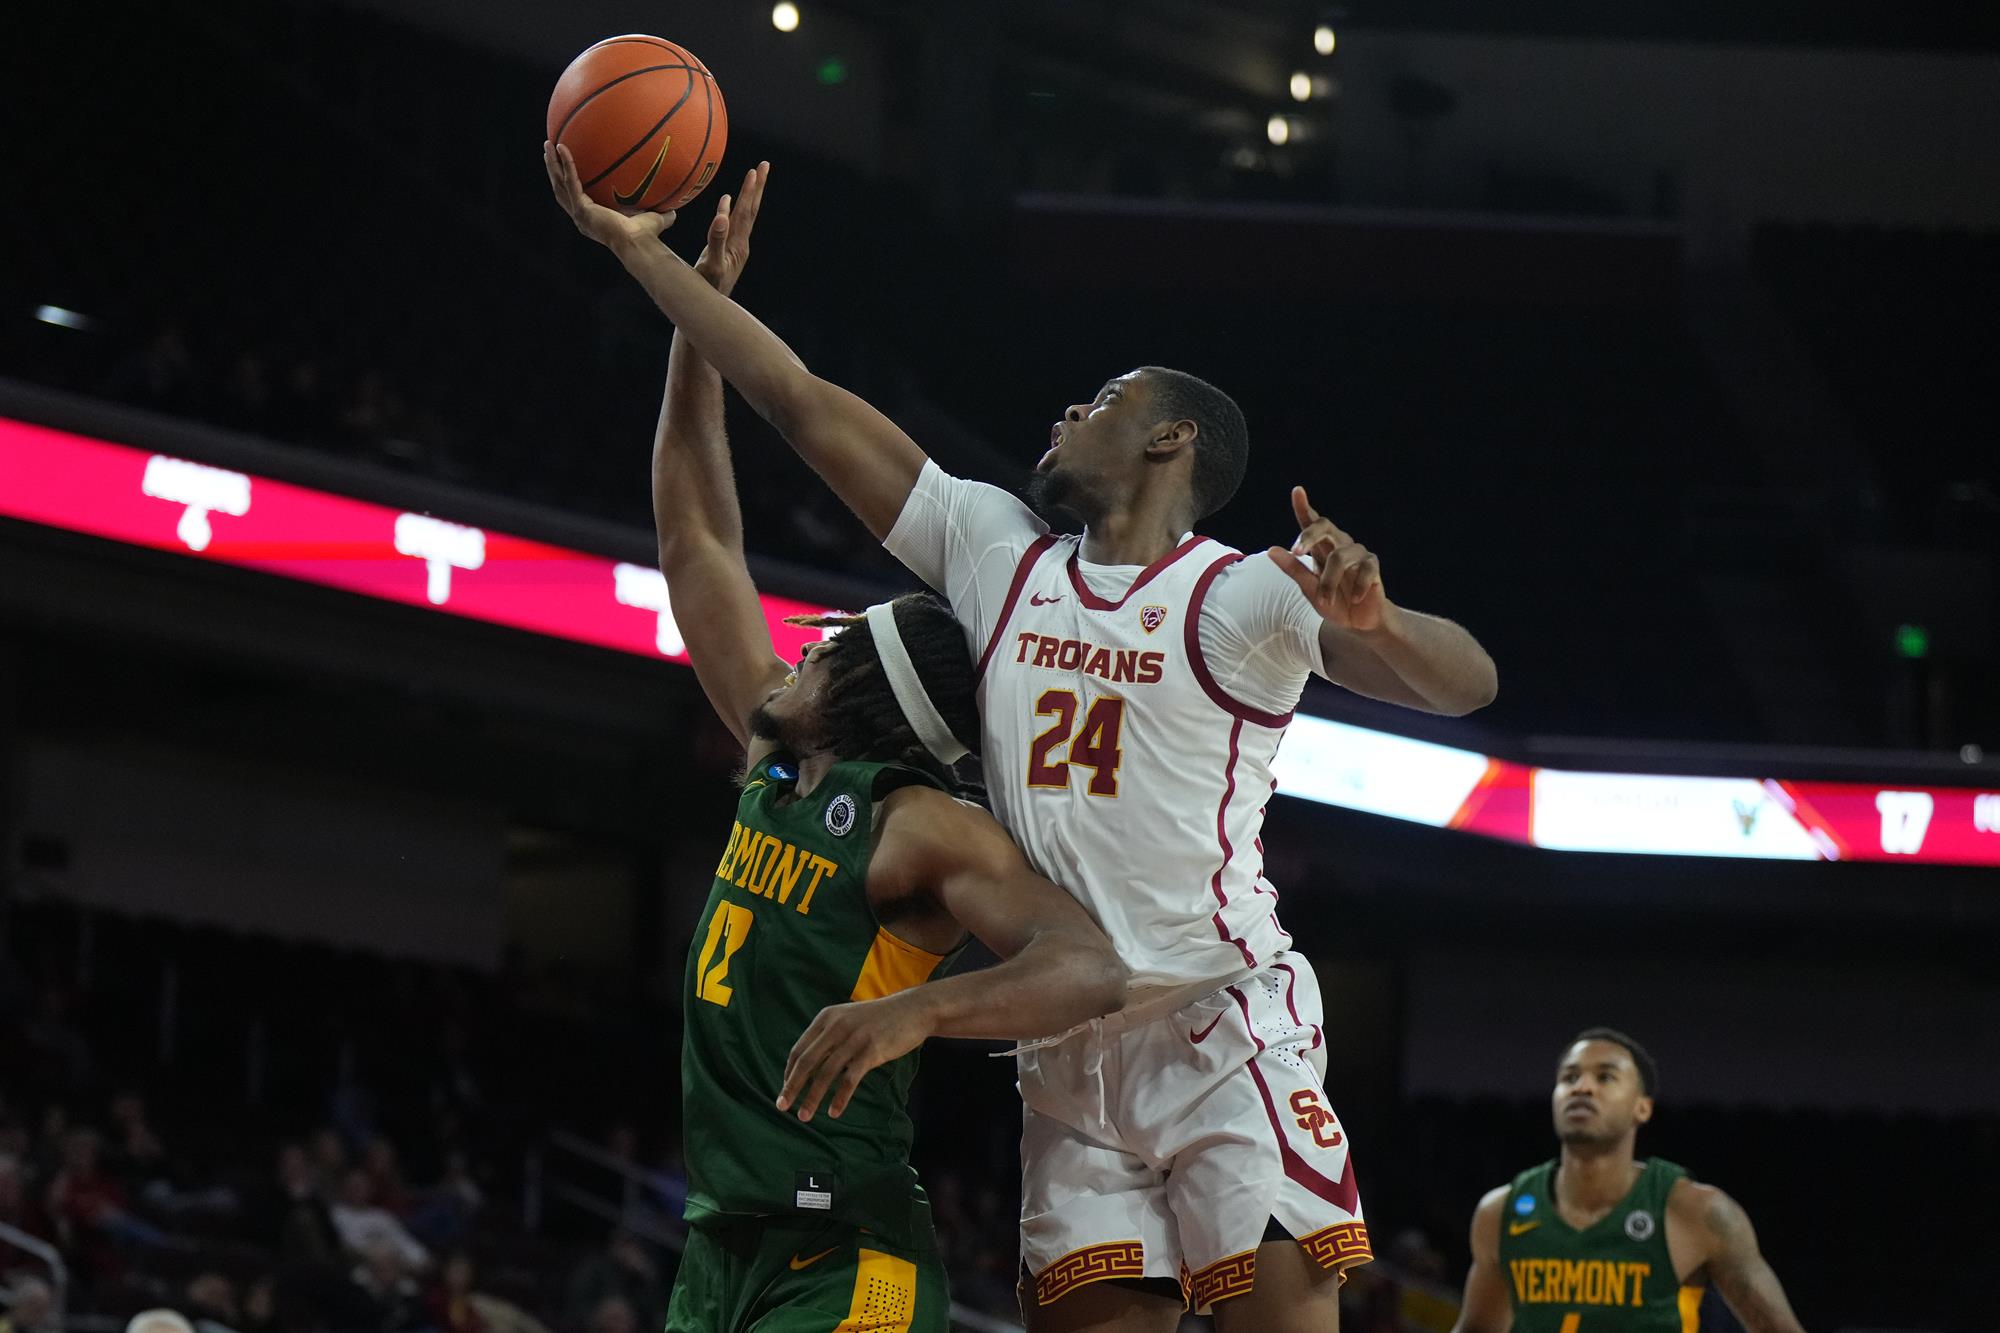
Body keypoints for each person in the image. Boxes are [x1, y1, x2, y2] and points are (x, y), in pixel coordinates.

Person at [545, 144, 1497, 1331]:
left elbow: (1465, 684)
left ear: (1170, 442)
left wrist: (1381, 619)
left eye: (1100, 401)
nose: (1067, 412)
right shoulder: (996, 553)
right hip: (1065, 1046)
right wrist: (648, 267)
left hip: (1216, 1017)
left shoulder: (1241, 595)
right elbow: (794, 398)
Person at [601, 162, 1128, 1332]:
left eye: (817, 655)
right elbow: (694, 534)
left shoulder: (913, 825)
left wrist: (921, 1014)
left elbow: (1087, 965)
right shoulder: (778, 763)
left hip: (846, 1249)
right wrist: (697, 324)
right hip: (720, 1243)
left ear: (864, 695)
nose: (784, 664)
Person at [1448, 1029, 1807, 1333]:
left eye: (1605, 1077)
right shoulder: (1501, 1213)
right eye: (1569, 1078)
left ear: (1642, 1107)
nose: (1582, 1088)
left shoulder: (1697, 1212)